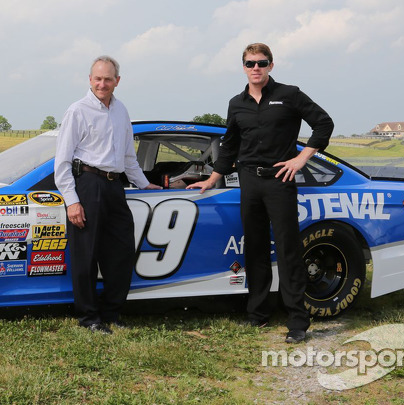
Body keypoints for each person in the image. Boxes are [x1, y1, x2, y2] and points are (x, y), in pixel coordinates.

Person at [187, 43, 333, 344]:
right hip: (248, 182)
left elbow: (323, 124)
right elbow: (229, 144)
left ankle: (297, 321)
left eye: (262, 63)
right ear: (243, 66)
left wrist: (300, 159)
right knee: (253, 249)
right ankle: (258, 314)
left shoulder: (289, 95)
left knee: (287, 250)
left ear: (271, 65)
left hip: (279, 181)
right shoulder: (236, 103)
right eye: (251, 63)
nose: (256, 68)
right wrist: (213, 178)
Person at [54, 56, 162, 334]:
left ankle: (112, 313)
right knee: (86, 255)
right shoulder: (77, 111)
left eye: (108, 79)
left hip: (116, 188)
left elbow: (128, 156)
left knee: (121, 253)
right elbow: (62, 162)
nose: (103, 84)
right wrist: (73, 201)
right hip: (88, 184)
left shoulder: (121, 110)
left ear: (117, 81)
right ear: (90, 80)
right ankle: (89, 318)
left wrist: (143, 183)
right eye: (98, 78)